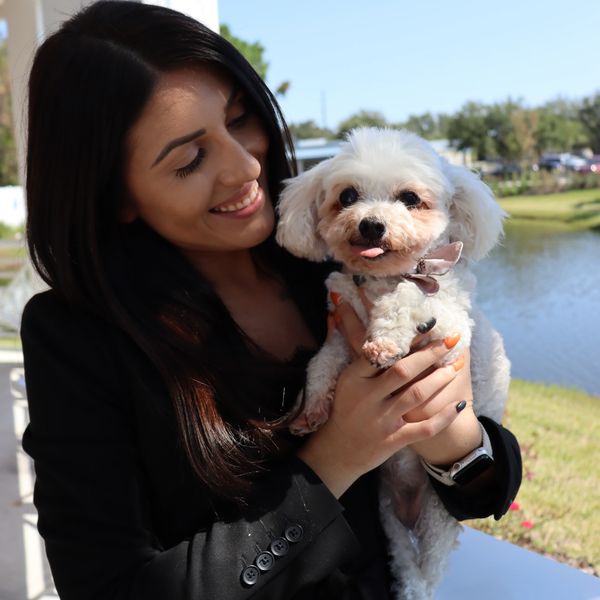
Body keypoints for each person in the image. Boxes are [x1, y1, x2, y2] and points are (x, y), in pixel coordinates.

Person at [20, 2, 521, 599]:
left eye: (240, 119)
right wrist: (336, 457)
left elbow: (485, 489)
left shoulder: (342, 265)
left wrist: (451, 439)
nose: (245, 166)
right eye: (190, 159)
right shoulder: (76, 337)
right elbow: (111, 588)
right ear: (115, 195)